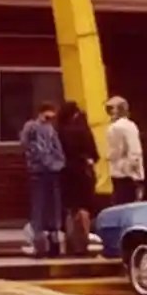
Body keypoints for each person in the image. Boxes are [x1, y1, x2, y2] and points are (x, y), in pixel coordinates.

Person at [20, 101, 66, 258]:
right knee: (41, 207)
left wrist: (58, 163)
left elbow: (56, 148)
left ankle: (51, 243)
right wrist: (53, 163)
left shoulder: (50, 129)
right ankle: (41, 243)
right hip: (40, 171)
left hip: (48, 171)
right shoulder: (32, 127)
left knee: (50, 207)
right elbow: (28, 145)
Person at [56, 101, 97, 256]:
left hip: (65, 172)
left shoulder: (59, 130)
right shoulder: (83, 131)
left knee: (69, 208)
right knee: (84, 207)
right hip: (82, 172)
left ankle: (70, 242)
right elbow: (94, 154)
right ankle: (83, 242)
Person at [106, 96, 144, 205]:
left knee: (124, 204)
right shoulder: (128, 125)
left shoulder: (118, 127)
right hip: (126, 173)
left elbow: (133, 150)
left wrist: (130, 169)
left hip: (124, 174)